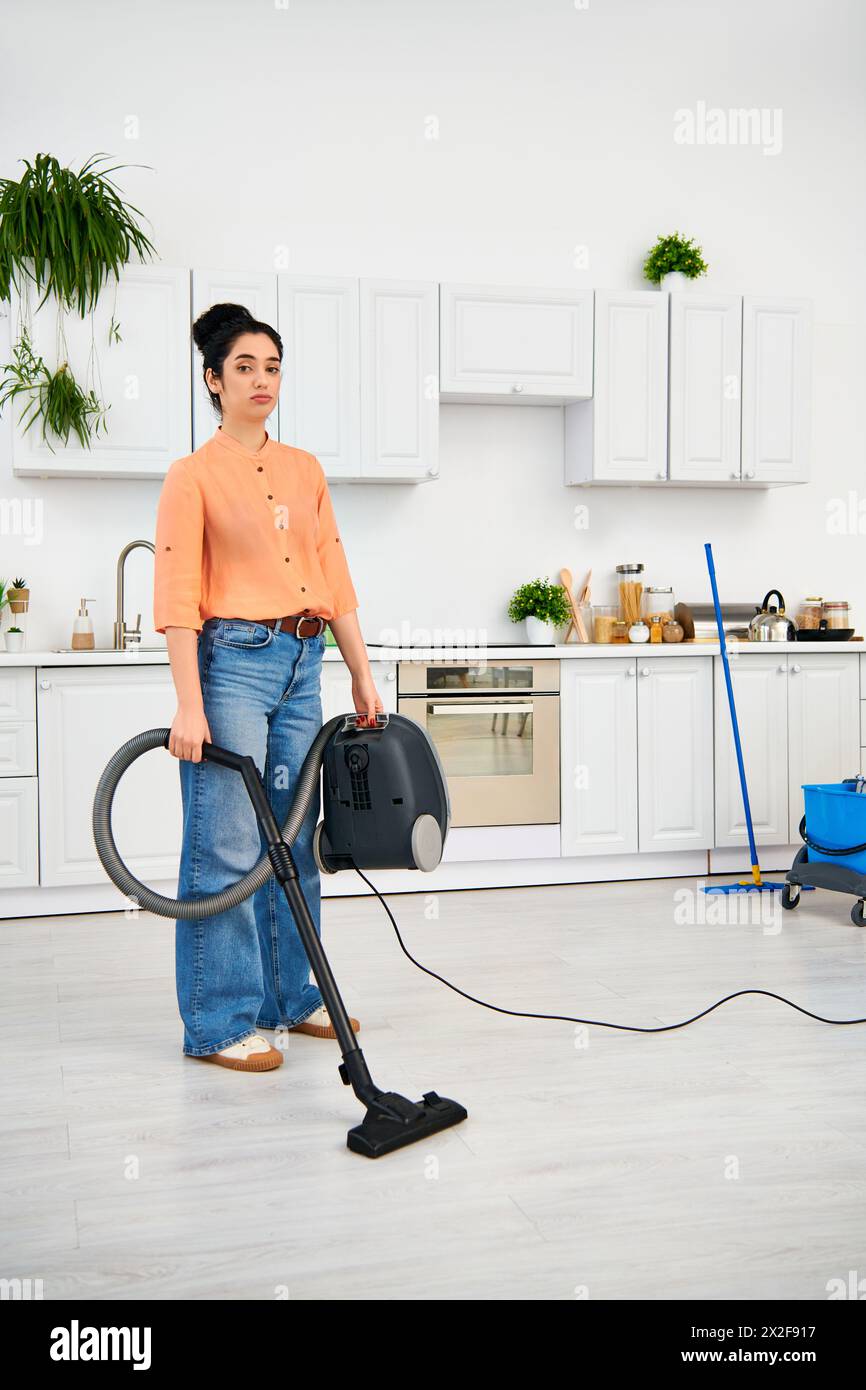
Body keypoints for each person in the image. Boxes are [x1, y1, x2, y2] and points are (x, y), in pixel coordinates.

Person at [153, 302, 384, 1072]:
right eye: (244, 367)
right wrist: (190, 700)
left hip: (303, 663)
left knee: (292, 839)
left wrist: (358, 668)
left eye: (272, 367)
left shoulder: (305, 470)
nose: (261, 380)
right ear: (214, 381)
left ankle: (292, 998)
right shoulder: (192, 477)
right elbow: (179, 596)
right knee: (227, 844)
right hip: (233, 663)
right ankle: (220, 1022)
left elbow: (335, 574)